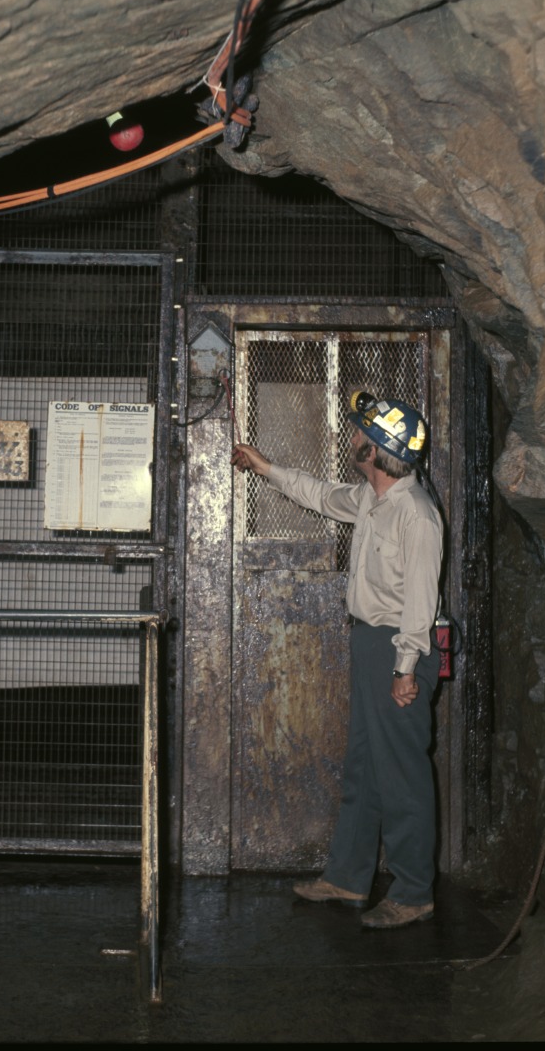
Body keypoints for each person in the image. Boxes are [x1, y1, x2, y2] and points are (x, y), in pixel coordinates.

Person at [230, 391, 444, 929]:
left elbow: (420, 602)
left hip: (400, 648)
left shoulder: (416, 515)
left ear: (376, 450)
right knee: (365, 767)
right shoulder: (372, 500)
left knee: (401, 774)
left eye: (360, 433)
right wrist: (265, 467)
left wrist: (404, 669)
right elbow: (320, 495)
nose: (352, 437)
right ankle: (349, 878)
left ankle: (414, 891)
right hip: (371, 642)